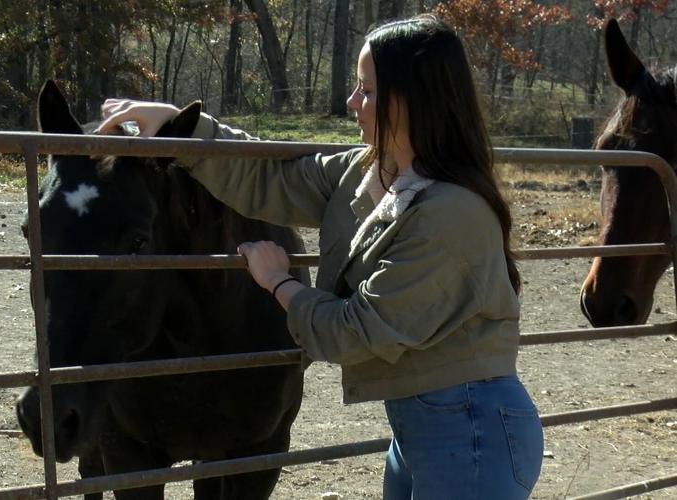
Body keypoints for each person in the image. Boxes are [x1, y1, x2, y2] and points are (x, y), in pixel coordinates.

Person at [97, 14, 543, 500]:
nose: (351, 102)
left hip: (469, 431)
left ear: (414, 100)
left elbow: (356, 332)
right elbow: (271, 177)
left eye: (366, 91)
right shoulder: (374, 171)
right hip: (426, 425)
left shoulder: (449, 213)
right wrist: (180, 128)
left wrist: (280, 283)